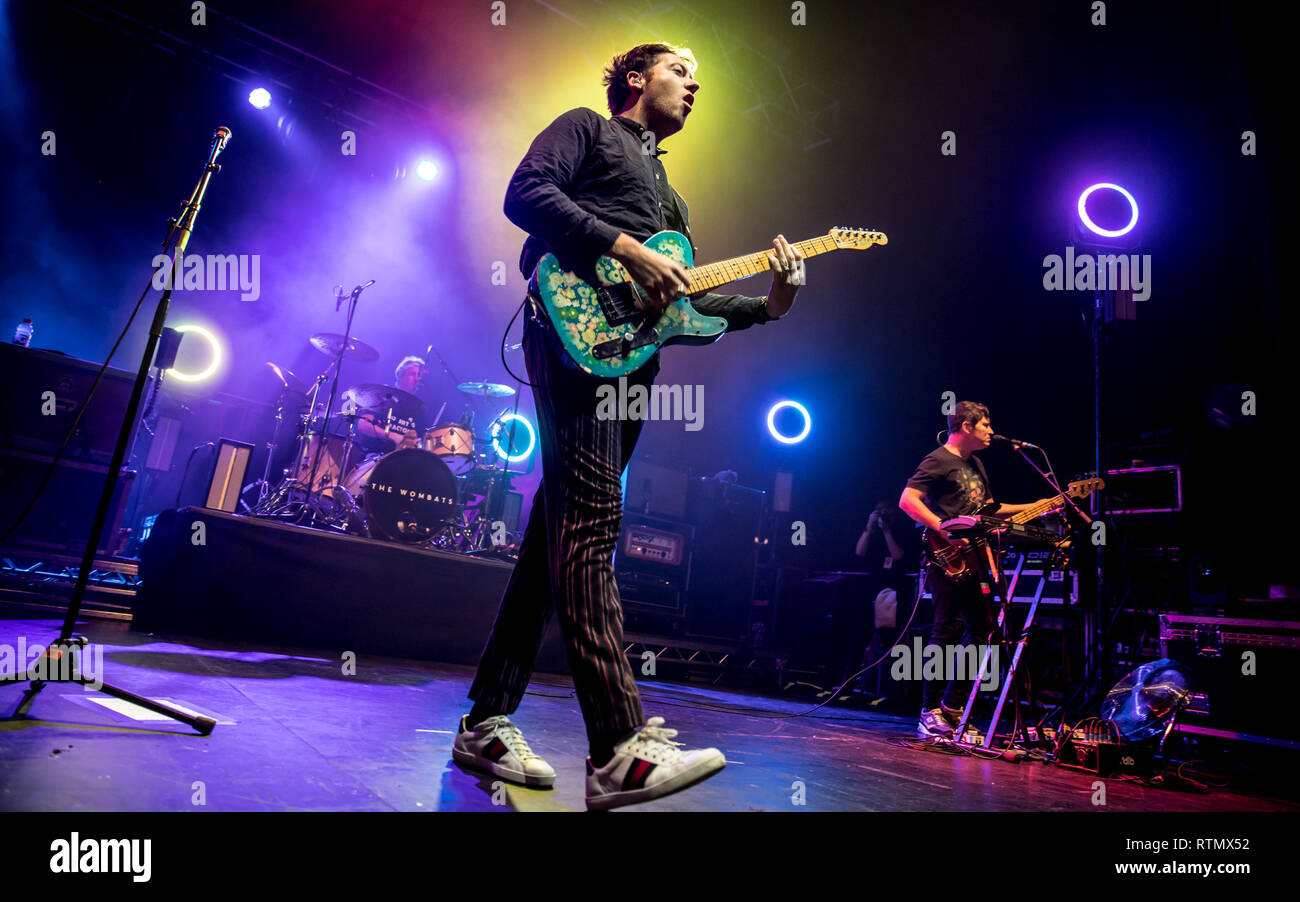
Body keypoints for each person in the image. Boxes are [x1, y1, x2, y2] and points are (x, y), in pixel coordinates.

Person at [452, 42, 806, 810]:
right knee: (594, 528)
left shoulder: (674, 203)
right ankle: (618, 750)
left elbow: (689, 307)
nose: (696, 84)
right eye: (683, 71)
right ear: (637, 79)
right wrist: (623, 248)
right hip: (575, 335)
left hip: (631, 371)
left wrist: (772, 304)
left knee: (557, 538)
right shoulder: (586, 127)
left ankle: (484, 723)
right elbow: (525, 194)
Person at [897, 401, 1055, 739]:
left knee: (983, 634)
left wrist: (1038, 506)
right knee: (946, 633)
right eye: (985, 424)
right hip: (947, 560)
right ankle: (930, 711)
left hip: (978, 559)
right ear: (966, 426)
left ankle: (955, 709)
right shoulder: (938, 460)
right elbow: (908, 500)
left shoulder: (977, 464)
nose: (990, 431)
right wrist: (942, 528)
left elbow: (988, 512)